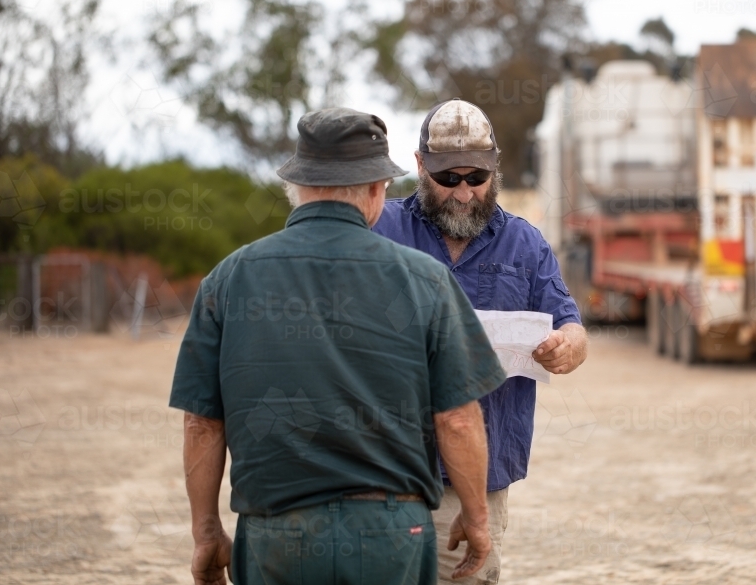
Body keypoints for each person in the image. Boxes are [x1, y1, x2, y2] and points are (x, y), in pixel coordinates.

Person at [169, 107, 507, 585]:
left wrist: (207, 533)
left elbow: (201, 423)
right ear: (374, 190)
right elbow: (456, 418)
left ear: (297, 188)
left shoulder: (228, 279)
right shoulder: (426, 281)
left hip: (274, 533)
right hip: (390, 534)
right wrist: (475, 517)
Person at [373, 99, 589, 584]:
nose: (464, 193)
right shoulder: (380, 230)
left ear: (496, 169)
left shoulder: (526, 245)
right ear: (420, 166)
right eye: (448, 179)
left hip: (480, 480)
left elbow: (571, 326)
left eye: (477, 177)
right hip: (388, 473)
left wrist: (568, 346)